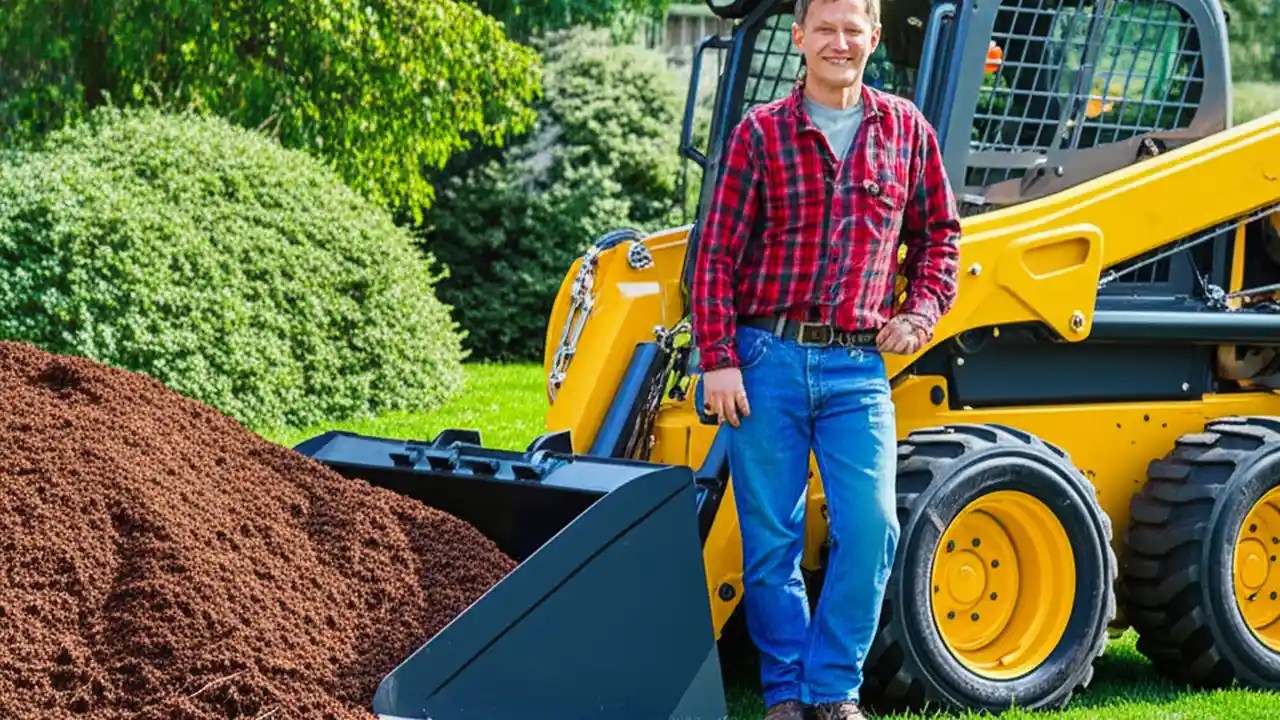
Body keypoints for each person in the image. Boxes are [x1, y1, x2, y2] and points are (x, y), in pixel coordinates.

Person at [689, 0, 961, 717]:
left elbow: (942, 238)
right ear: (799, 37)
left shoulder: (906, 131)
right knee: (771, 539)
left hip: (856, 371)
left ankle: (833, 689)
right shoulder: (761, 135)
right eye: (826, 29)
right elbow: (715, 255)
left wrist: (920, 311)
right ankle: (785, 695)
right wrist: (717, 358)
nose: (839, 43)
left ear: (873, 37)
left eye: (853, 29)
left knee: (873, 528)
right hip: (763, 359)